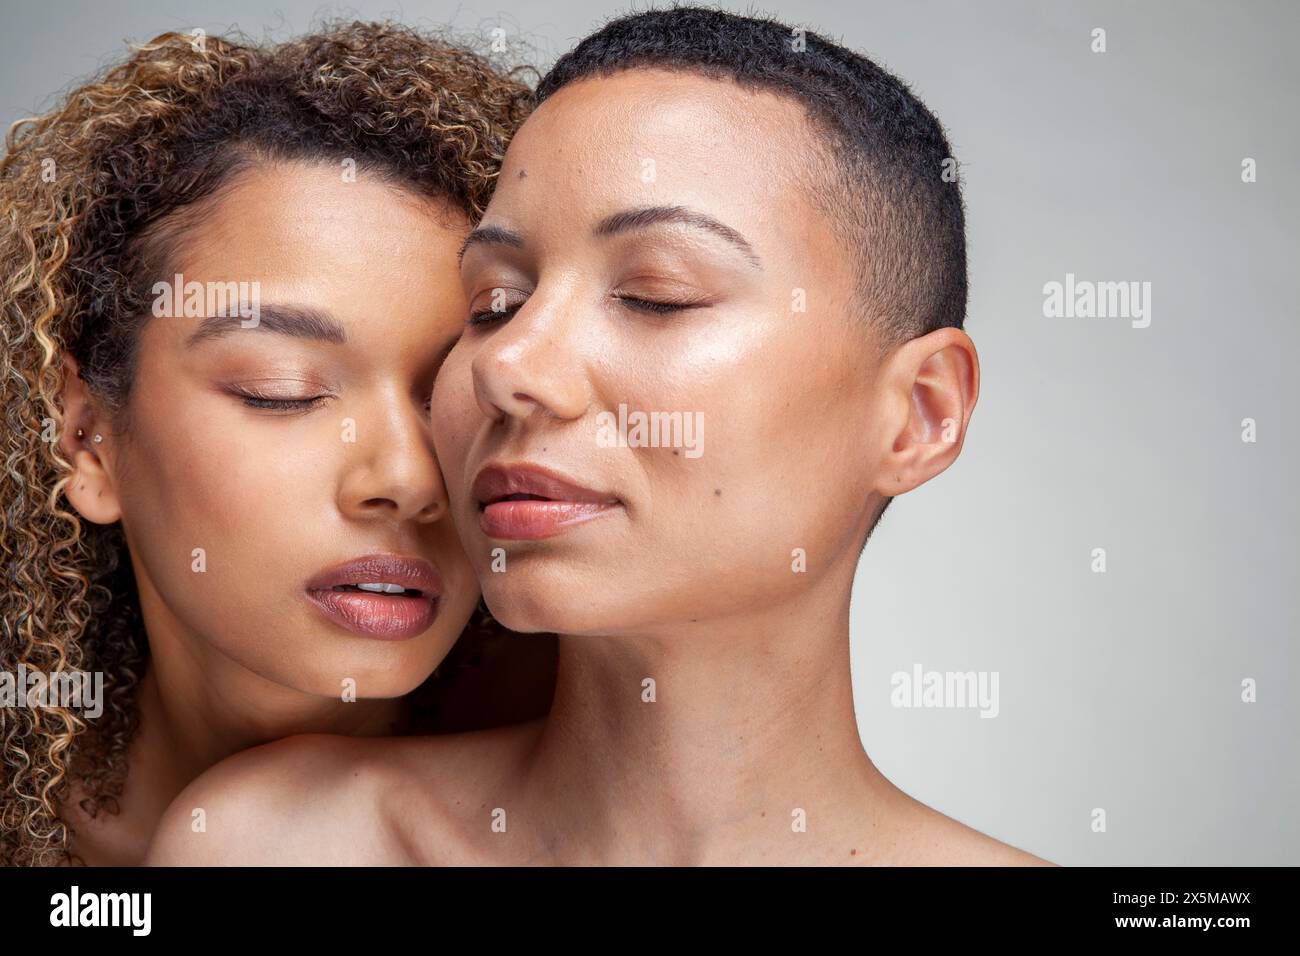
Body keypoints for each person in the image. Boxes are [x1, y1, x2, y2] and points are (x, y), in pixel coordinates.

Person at [146, 8, 1051, 866]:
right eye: (493, 304)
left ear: (919, 413)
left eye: (657, 295)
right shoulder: (268, 845)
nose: (510, 365)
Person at [0, 21, 555, 867]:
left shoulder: (603, 806)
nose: (409, 479)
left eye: (454, 392)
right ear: (85, 442)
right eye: (283, 389)